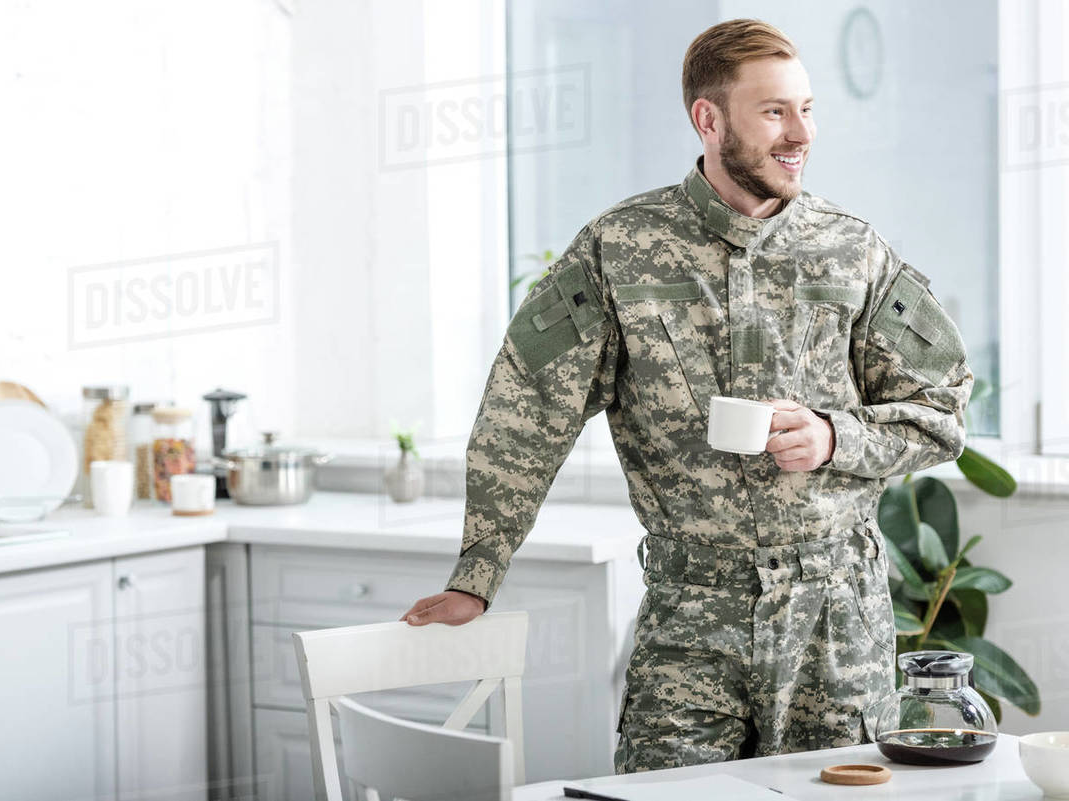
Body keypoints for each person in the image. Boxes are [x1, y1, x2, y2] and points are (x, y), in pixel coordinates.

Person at [399, 18, 972, 773]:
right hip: (691, 624)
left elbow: (943, 410)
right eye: (774, 111)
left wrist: (837, 437)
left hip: (837, 626)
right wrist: (478, 572)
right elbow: (524, 409)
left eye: (807, 108)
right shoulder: (619, 250)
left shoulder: (854, 250)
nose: (801, 132)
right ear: (708, 119)